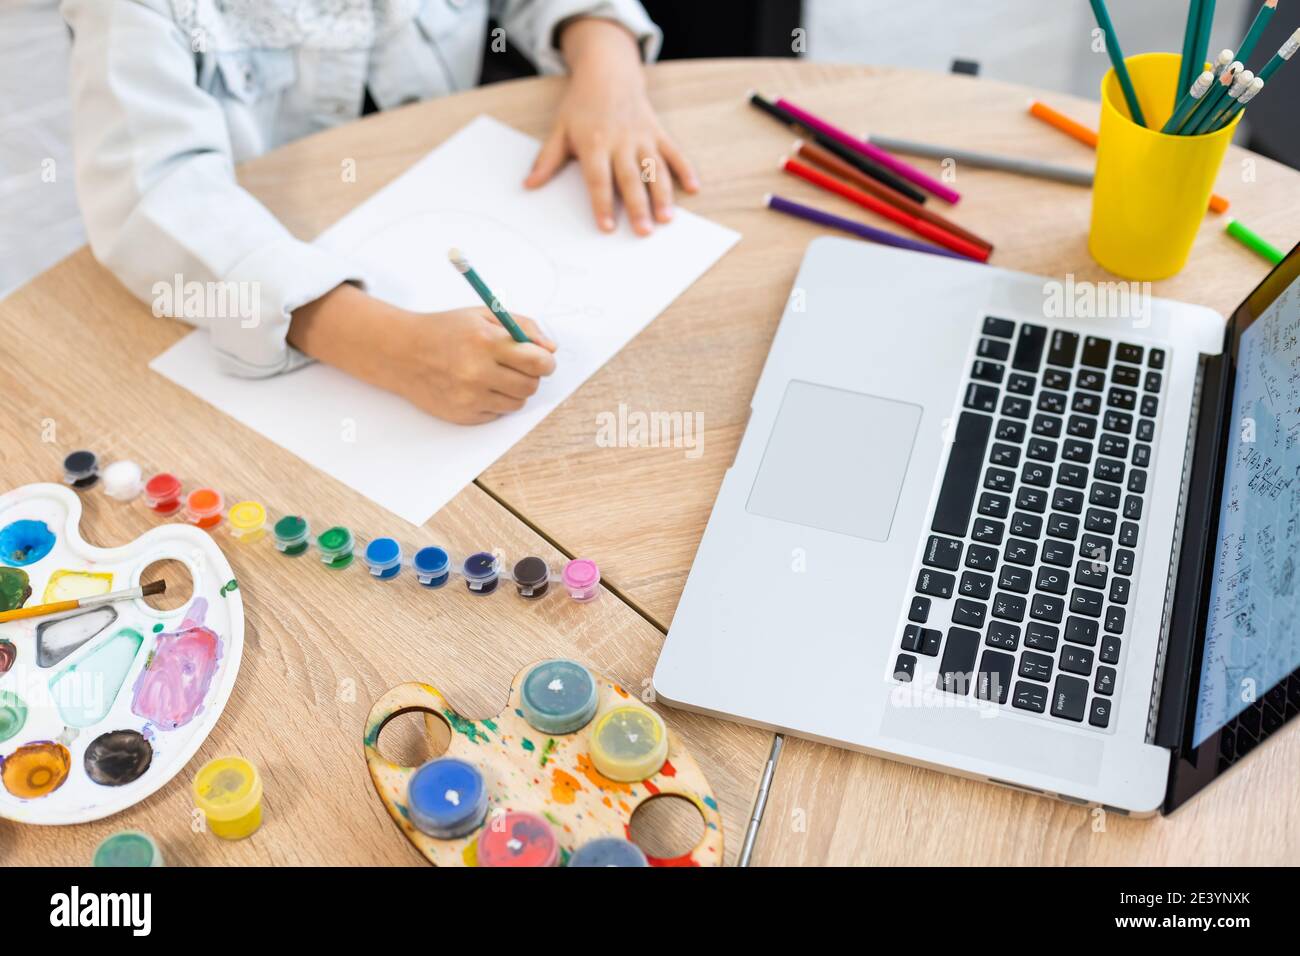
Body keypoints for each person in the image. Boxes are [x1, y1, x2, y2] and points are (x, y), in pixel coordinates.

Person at [63, 0, 698, 424]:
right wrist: (391, 348)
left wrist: (605, 61)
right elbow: (155, 192)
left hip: (446, 176)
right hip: (261, 258)